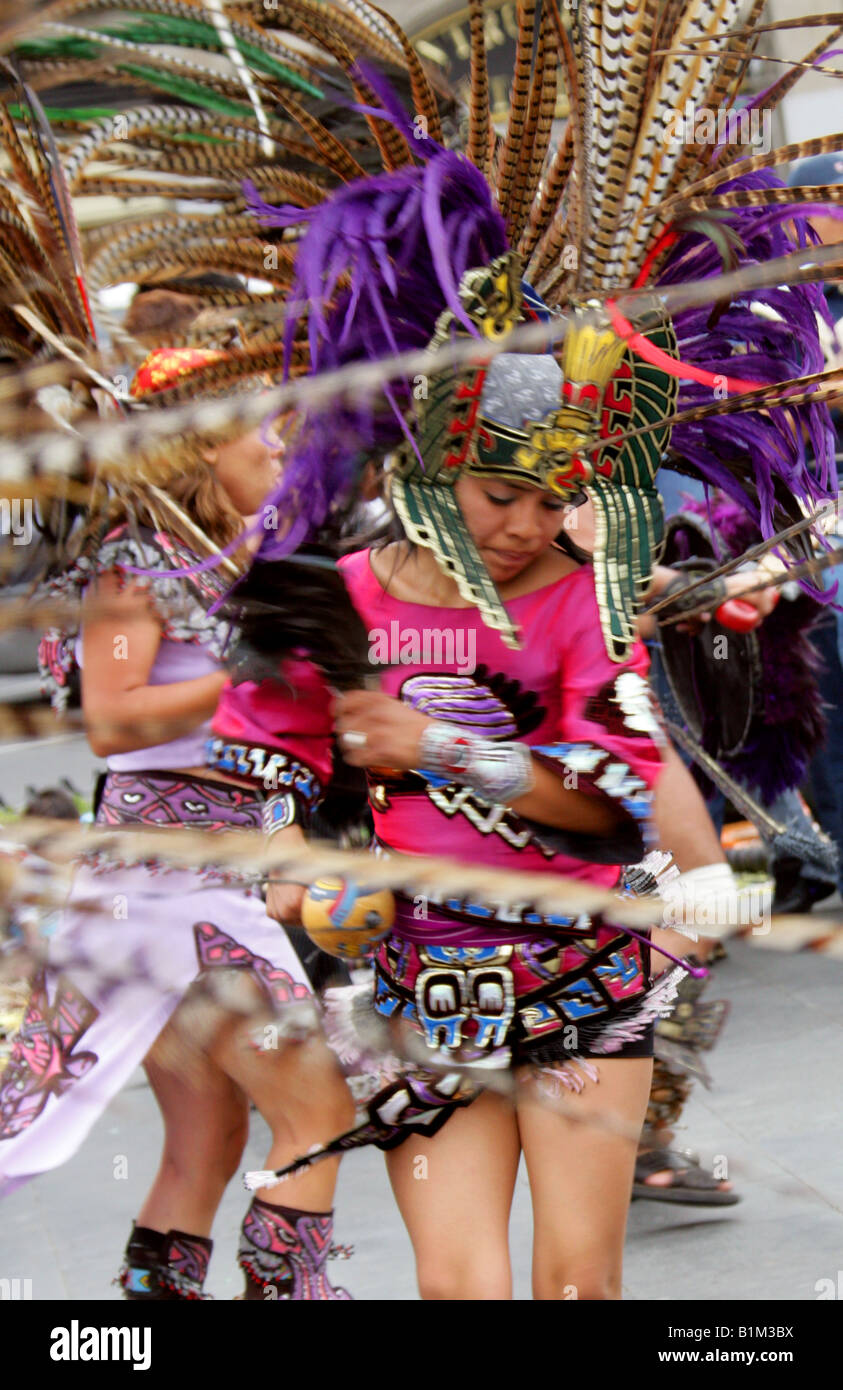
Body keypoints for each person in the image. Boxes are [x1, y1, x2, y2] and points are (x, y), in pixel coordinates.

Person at [0, 349, 355, 1301]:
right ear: (201, 444)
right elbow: (113, 718)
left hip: (202, 878)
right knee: (320, 1111)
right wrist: (253, 663)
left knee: (208, 1143)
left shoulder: (219, 560)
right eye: (264, 428)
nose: (282, 449)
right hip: (171, 890)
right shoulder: (131, 563)